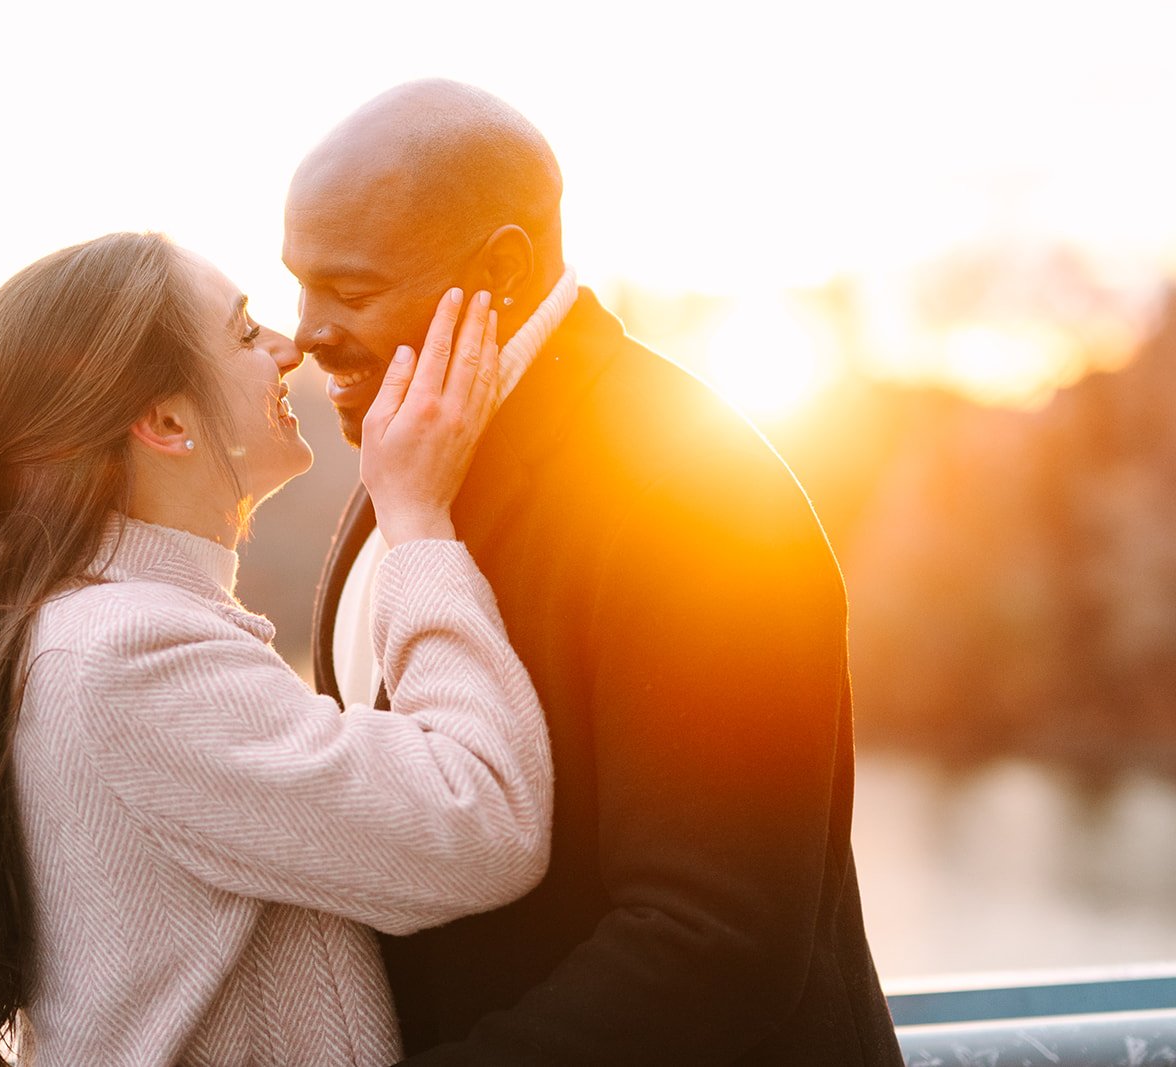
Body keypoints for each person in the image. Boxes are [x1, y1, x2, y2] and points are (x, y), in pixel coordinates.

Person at [285, 80, 904, 1065]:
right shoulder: (407, 459)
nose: (302, 336)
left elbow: (714, 942)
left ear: (500, 270)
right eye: (300, 286)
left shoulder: (692, 487)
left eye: (351, 292)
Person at [0, 231, 554, 1066]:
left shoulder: (79, 630)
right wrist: (416, 517)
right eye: (247, 332)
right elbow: (484, 820)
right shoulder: (129, 655)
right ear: (165, 421)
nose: (290, 348)